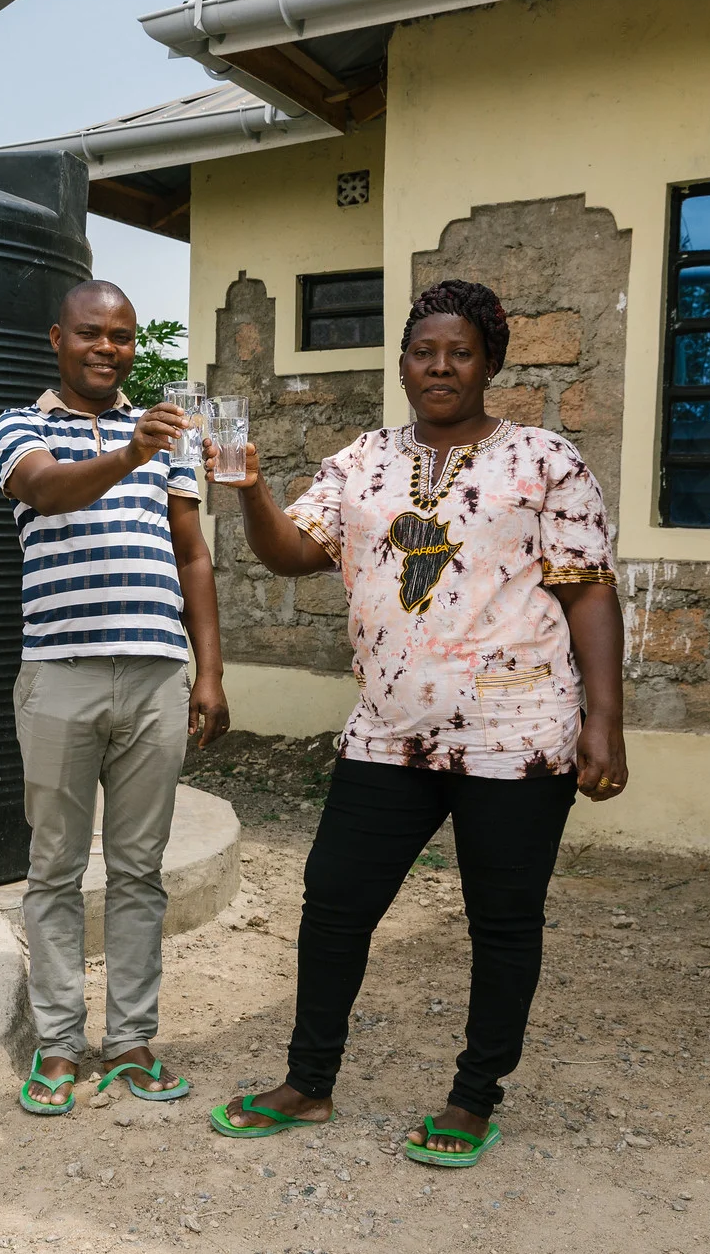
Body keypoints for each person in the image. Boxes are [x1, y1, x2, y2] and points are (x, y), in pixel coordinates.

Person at [205, 279, 628, 1167]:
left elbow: (587, 591)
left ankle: (475, 1098)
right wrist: (247, 491)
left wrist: (605, 722)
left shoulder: (544, 459)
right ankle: (308, 1081)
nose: (439, 366)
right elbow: (291, 554)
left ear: (490, 362)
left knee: (502, 921)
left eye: (460, 351)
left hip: (517, 735)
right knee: (334, 905)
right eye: (423, 351)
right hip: (388, 730)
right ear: (401, 362)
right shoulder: (359, 460)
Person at [0, 279, 231, 1115]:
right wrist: (132, 450)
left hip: (157, 674)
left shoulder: (172, 438)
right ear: (57, 337)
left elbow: (192, 556)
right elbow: (47, 489)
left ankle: (130, 1039)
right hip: (59, 673)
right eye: (91, 334)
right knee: (55, 867)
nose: (108, 347)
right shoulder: (21, 426)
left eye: (122, 336)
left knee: (138, 869)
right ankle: (59, 1045)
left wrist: (210, 670)